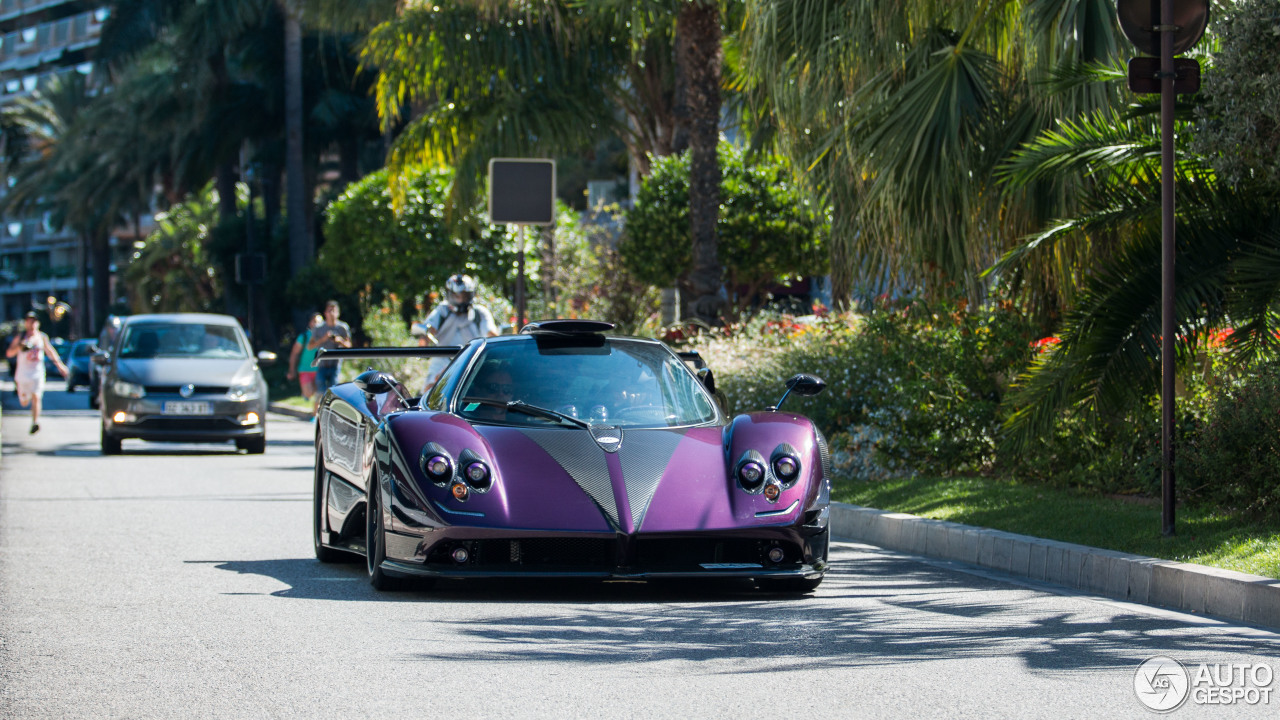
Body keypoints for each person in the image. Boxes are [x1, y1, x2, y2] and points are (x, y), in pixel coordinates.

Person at [411, 274, 499, 392]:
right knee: (430, 389)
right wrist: (423, 348)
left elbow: (491, 333)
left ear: (471, 295)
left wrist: (498, 351)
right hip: (442, 360)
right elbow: (427, 331)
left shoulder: (480, 313)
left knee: (490, 388)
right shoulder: (441, 311)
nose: (461, 300)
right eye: (456, 296)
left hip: (473, 362)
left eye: (464, 296)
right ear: (449, 295)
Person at [5, 311, 68, 434]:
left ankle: (35, 422)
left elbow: (50, 352)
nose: (32, 323)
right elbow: (9, 353)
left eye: (34, 321)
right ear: (26, 323)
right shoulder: (20, 337)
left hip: (37, 373)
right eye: (29, 321)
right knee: (24, 403)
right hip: (23, 374)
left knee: (36, 396)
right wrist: (19, 347)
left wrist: (60, 366)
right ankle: (26, 399)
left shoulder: (42, 337)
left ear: (37, 323)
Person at [307, 300, 352, 414]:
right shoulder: (319, 328)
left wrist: (339, 340)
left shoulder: (342, 328)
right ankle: (316, 414)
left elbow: (349, 346)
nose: (332, 313)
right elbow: (310, 346)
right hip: (322, 364)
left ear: (338, 313)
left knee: (334, 392)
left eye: (334, 311)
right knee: (320, 392)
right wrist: (323, 339)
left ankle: (332, 414)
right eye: (329, 311)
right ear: (325, 313)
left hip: (335, 364)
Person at [287, 312, 324, 402]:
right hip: (305, 370)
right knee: (309, 393)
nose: (317, 324)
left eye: (320, 322)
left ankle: (313, 414)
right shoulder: (303, 337)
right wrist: (291, 370)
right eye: (315, 321)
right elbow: (294, 354)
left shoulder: (325, 337)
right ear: (310, 323)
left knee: (318, 395)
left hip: (320, 370)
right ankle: (306, 397)